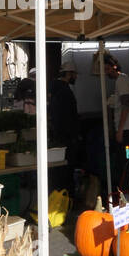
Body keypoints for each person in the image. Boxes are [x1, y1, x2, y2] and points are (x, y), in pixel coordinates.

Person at [103, 55, 129, 190]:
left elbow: (126, 104)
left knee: (125, 161)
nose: (106, 73)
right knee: (128, 159)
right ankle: (127, 188)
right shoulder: (124, 79)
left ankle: (125, 190)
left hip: (127, 130)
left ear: (114, 67)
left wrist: (120, 130)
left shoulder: (121, 80)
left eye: (107, 69)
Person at [49, 64, 79, 193]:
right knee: (67, 168)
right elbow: (68, 115)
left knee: (59, 168)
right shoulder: (65, 91)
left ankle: (59, 194)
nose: (76, 76)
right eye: (74, 74)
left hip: (57, 134)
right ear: (68, 74)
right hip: (67, 136)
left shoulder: (55, 89)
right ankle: (67, 196)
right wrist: (74, 134)